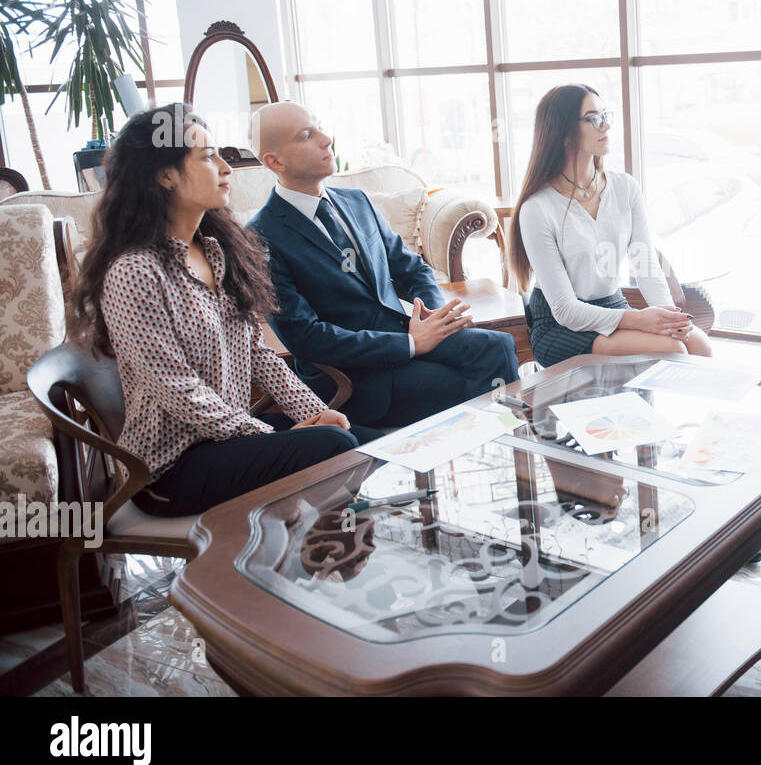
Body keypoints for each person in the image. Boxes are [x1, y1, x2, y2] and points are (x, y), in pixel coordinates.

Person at [73, 104, 360, 518]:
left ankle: (316, 548)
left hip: (228, 440)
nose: (227, 167)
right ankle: (308, 550)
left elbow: (257, 354)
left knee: (353, 435)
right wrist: (264, 436)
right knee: (336, 447)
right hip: (170, 470)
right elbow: (179, 390)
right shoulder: (134, 271)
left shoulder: (215, 250)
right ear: (165, 175)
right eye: (208, 157)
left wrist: (314, 411)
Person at [247, 102, 518, 432]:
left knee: (499, 346)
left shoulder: (356, 202)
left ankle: (509, 443)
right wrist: (410, 344)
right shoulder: (258, 237)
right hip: (357, 375)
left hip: (408, 335)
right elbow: (306, 337)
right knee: (464, 384)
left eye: (320, 127)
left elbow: (412, 269)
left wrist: (431, 314)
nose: (326, 139)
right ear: (275, 162)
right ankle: (496, 441)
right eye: (306, 135)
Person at [510, 84, 711, 367]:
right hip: (561, 325)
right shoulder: (537, 208)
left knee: (700, 346)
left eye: (605, 115)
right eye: (593, 118)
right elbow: (566, 310)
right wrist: (640, 320)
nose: (605, 125)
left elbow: (645, 263)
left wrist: (668, 318)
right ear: (563, 132)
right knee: (672, 350)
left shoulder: (625, 188)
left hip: (613, 306)